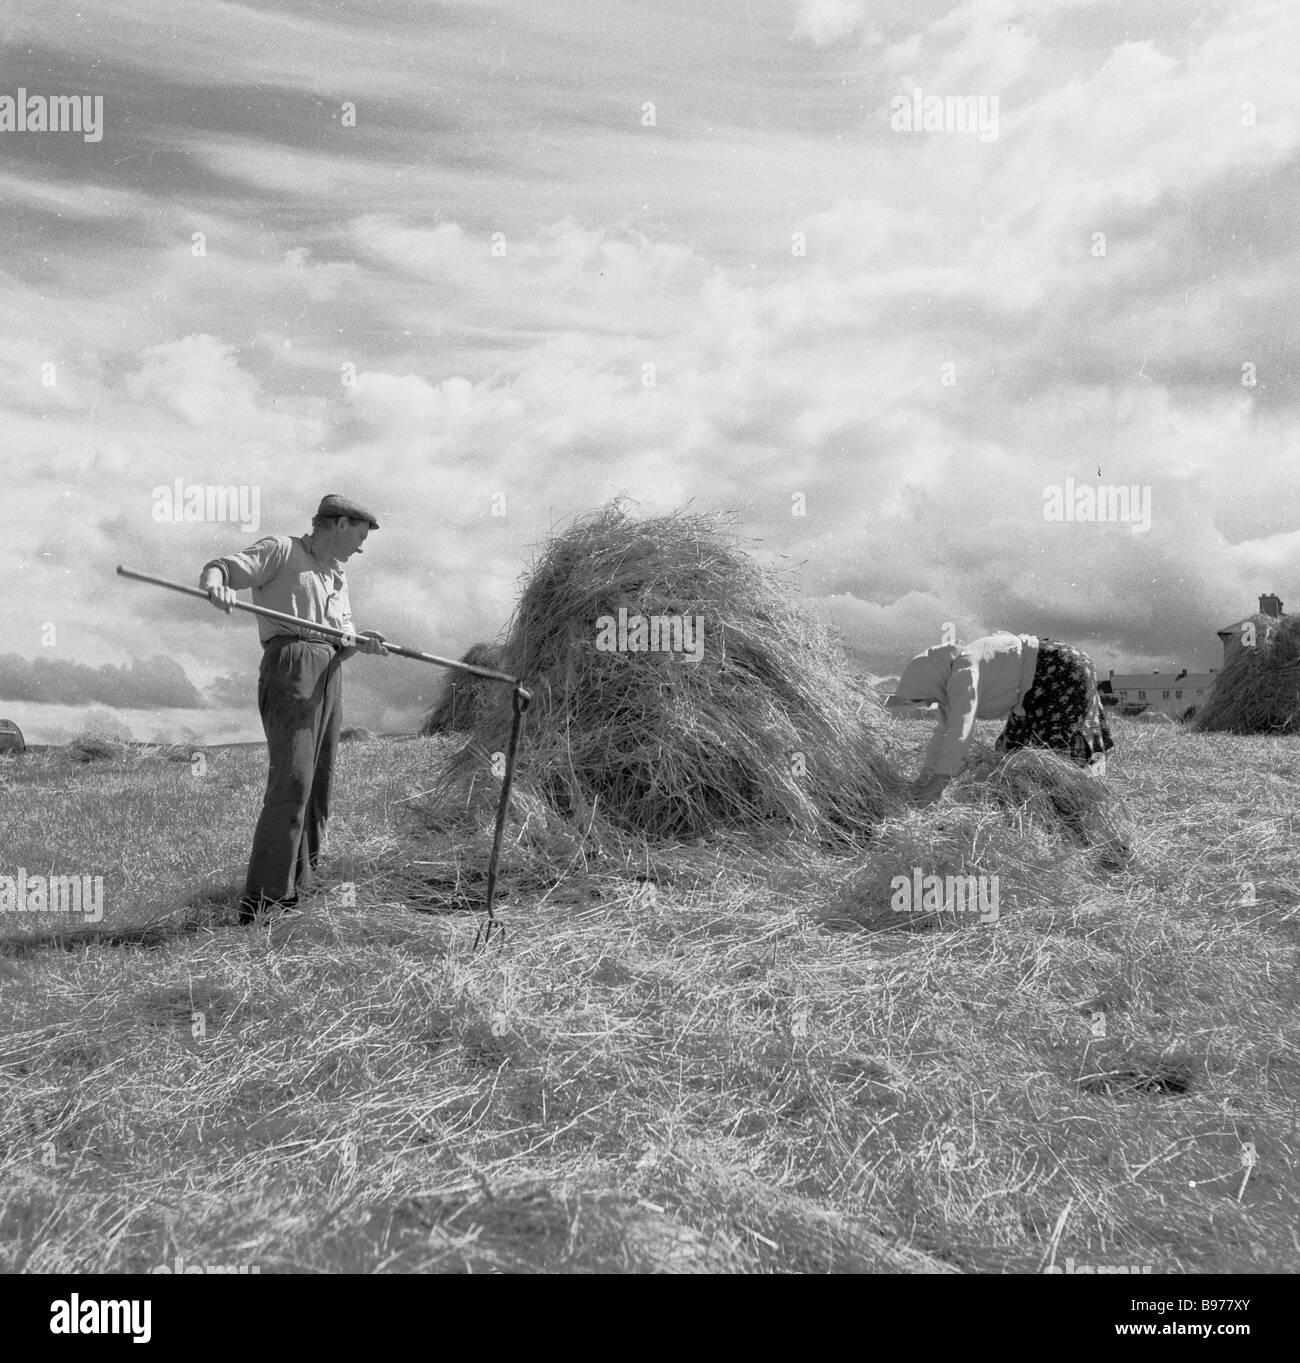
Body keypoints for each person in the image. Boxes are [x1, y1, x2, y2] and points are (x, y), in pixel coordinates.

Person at [199, 494, 389, 922]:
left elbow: (340, 640)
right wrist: (215, 586)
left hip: (330, 672)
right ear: (339, 523)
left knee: (319, 785)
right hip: (292, 666)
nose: (360, 549)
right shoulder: (281, 550)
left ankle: (302, 888)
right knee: (293, 781)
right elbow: (222, 568)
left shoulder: (338, 577)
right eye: (358, 538)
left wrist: (361, 642)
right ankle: (265, 901)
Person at [896, 632, 1114, 807]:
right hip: (1035, 687)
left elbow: (960, 733)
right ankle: (1035, 812)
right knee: (1011, 753)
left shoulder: (964, 671)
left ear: (929, 680)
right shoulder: (948, 680)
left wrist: (937, 783)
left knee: (1053, 758)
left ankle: (1087, 811)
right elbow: (942, 735)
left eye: (920, 697)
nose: (925, 704)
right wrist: (924, 779)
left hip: (1060, 671)